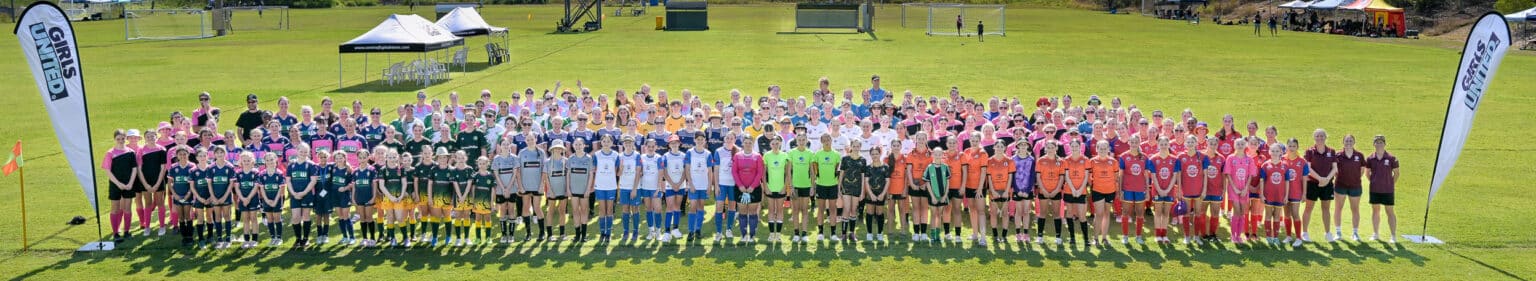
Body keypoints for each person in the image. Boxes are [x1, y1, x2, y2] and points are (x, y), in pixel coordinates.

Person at [105, 129, 139, 243]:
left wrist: (130, 183)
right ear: (114, 139)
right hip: (115, 185)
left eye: (123, 138)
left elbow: (134, 169)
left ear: (126, 138)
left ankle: (127, 231)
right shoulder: (110, 153)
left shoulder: (130, 152)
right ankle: (116, 233)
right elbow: (108, 171)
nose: (121, 141)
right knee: (115, 209)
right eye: (118, 139)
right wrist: (118, 184)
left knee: (127, 208)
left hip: (128, 184)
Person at [1303, 129, 1337, 242]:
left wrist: (1327, 179)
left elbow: (1335, 168)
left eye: (1322, 136)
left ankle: (1328, 233)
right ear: (1314, 137)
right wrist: (1320, 178)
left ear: (1325, 137)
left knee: (1326, 209)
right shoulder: (1309, 151)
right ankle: (1305, 233)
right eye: (1317, 136)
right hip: (1312, 183)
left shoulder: (1331, 151)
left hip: (1327, 184)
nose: (1320, 138)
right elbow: (1308, 168)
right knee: (1308, 208)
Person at [1364, 135, 1398, 243]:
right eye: (1377, 142)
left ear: (1385, 144)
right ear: (1374, 144)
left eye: (1381, 142)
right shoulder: (1370, 158)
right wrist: (1373, 181)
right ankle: (1375, 234)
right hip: (1375, 189)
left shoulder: (1392, 158)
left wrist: (1390, 183)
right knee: (1375, 211)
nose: (1379, 144)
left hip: (1388, 190)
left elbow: (1396, 173)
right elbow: (1367, 173)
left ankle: (1393, 236)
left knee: (1390, 212)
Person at [1332, 134, 1366, 242]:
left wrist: (1354, 178)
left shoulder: (1359, 155)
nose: (1348, 143)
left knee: (1355, 209)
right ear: (1343, 142)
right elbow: (1334, 169)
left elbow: (1362, 170)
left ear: (1354, 142)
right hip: (1340, 185)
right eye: (1346, 141)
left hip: (1355, 186)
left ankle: (1355, 233)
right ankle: (1338, 232)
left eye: (1351, 140)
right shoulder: (1338, 155)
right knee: (1338, 208)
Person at [1087, 140, 1120, 246]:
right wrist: (1092, 185)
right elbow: (1089, 177)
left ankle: (1104, 238)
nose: (1102, 150)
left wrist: (1117, 190)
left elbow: (1116, 178)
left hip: (1110, 191)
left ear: (1108, 150)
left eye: (1105, 148)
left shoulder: (1113, 161)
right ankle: (1095, 238)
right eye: (1100, 148)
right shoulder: (1092, 161)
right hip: (1098, 191)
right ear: (1096, 149)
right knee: (1099, 214)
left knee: (1107, 214)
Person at [1258, 143, 1289, 245]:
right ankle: (1268, 237)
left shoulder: (1285, 166)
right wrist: (1262, 194)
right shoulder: (1265, 165)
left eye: (1277, 151)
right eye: (1273, 151)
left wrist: (1286, 195)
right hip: (1268, 194)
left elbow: (1287, 182)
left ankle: (1275, 237)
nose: (1275, 153)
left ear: (1281, 152)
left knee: (1276, 216)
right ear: (1269, 152)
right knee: (1268, 215)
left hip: (1280, 195)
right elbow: (1262, 181)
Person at [787, 134, 816, 242]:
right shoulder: (791, 153)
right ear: (796, 141)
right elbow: (789, 172)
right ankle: (796, 233)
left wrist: (812, 186)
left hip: (806, 186)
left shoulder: (810, 153)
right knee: (795, 210)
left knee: (804, 210)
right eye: (799, 140)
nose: (801, 141)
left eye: (803, 140)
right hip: (795, 186)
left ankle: (804, 234)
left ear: (806, 140)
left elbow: (812, 172)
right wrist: (791, 186)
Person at [836, 140, 867, 242]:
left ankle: (852, 234)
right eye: (854, 146)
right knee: (847, 209)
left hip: (857, 188)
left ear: (860, 147)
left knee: (854, 210)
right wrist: (839, 187)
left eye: (858, 146)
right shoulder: (845, 158)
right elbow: (841, 174)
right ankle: (844, 234)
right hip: (846, 187)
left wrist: (862, 191)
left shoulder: (863, 160)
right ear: (851, 146)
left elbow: (863, 176)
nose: (856, 148)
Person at [762, 135, 790, 242]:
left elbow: (787, 174)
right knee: (771, 210)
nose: (775, 145)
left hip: (781, 188)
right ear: (770, 144)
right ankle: (771, 234)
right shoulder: (767, 156)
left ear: (780, 144)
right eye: (773, 143)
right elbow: (763, 174)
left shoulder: (785, 156)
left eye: (777, 143)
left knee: (779, 210)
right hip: (770, 188)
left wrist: (785, 187)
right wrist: (766, 187)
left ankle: (778, 234)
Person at [922, 148, 952, 242]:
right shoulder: (929, 167)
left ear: (942, 155)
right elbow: (927, 183)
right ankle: (932, 236)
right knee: (933, 214)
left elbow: (947, 183)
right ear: (933, 155)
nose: (938, 156)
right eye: (936, 154)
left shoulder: (945, 167)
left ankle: (938, 236)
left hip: (942, 196)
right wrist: (933, 196)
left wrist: (944, 196)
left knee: (939, 215)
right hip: (933, 196)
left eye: (940, 154)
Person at [567, 139, 594, 243]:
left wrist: (588, 189)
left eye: (580, 144)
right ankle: (577, 234)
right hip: (573, 189)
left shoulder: (588, 158)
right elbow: (568, 174)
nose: (578, 146)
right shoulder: (571, 158)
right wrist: (568, 189)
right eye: (576, 144)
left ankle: (584, 235)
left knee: (584, 210)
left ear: (584, 145)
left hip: (584, 190)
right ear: (573, 146)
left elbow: (591, 174)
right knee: (575, 211)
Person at [544, 141, 570, 242]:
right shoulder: (547, 162)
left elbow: (568, 176)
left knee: (562, 211)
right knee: (550, 211)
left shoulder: (566, 161)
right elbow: (546, 178)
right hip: (552, 191)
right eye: (556, 148)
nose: (558, 150)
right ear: (552, 149)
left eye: (560, 148)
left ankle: (562, 233)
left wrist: (567, 190)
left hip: (563, 190)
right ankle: (550, 234)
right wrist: (550, 190)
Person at [234, 152, 261, 249]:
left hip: (253, 199)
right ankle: (246, 240)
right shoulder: (238, 173)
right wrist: (242, 198)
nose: (246, 162)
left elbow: (256, 187)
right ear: (240, 161)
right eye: (244, 160)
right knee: (245, 219)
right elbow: (236, 188)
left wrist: (248, 198)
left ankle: (254, 240)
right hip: (242, 199)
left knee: (253, 218)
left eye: (248, 160)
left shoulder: (256, 172)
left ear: (252, 161)